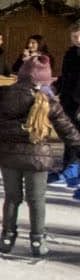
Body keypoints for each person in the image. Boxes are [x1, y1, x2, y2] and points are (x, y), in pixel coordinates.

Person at [0, 53, 80, 258]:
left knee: (12, 197)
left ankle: (7, 237)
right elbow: (67, 129)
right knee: (36, 199)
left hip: (8, 155)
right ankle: (37, 239)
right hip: (38, 157)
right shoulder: (47, 100)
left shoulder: (5, 95)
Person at [58, 21, 80, 184]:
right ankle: (69, 166)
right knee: (69, 135)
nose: (77, 39)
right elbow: (65, 76)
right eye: (74, 36)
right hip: (69, 101)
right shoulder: (70, 54)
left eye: (79, 36)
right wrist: (55, 88)